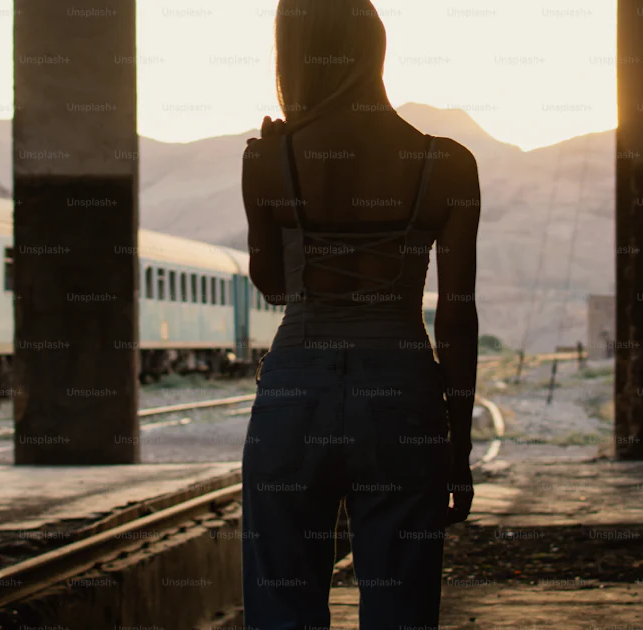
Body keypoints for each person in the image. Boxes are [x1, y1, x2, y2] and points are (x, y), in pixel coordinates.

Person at [239, 1, 482, 628]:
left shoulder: (268, 159)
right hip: (402, 392)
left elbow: (272, 287)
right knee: (402, 605)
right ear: (374, 47)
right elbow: (457, 319)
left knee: (282, 602)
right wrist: (457, 450)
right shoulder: (449, 164)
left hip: (295, 391)